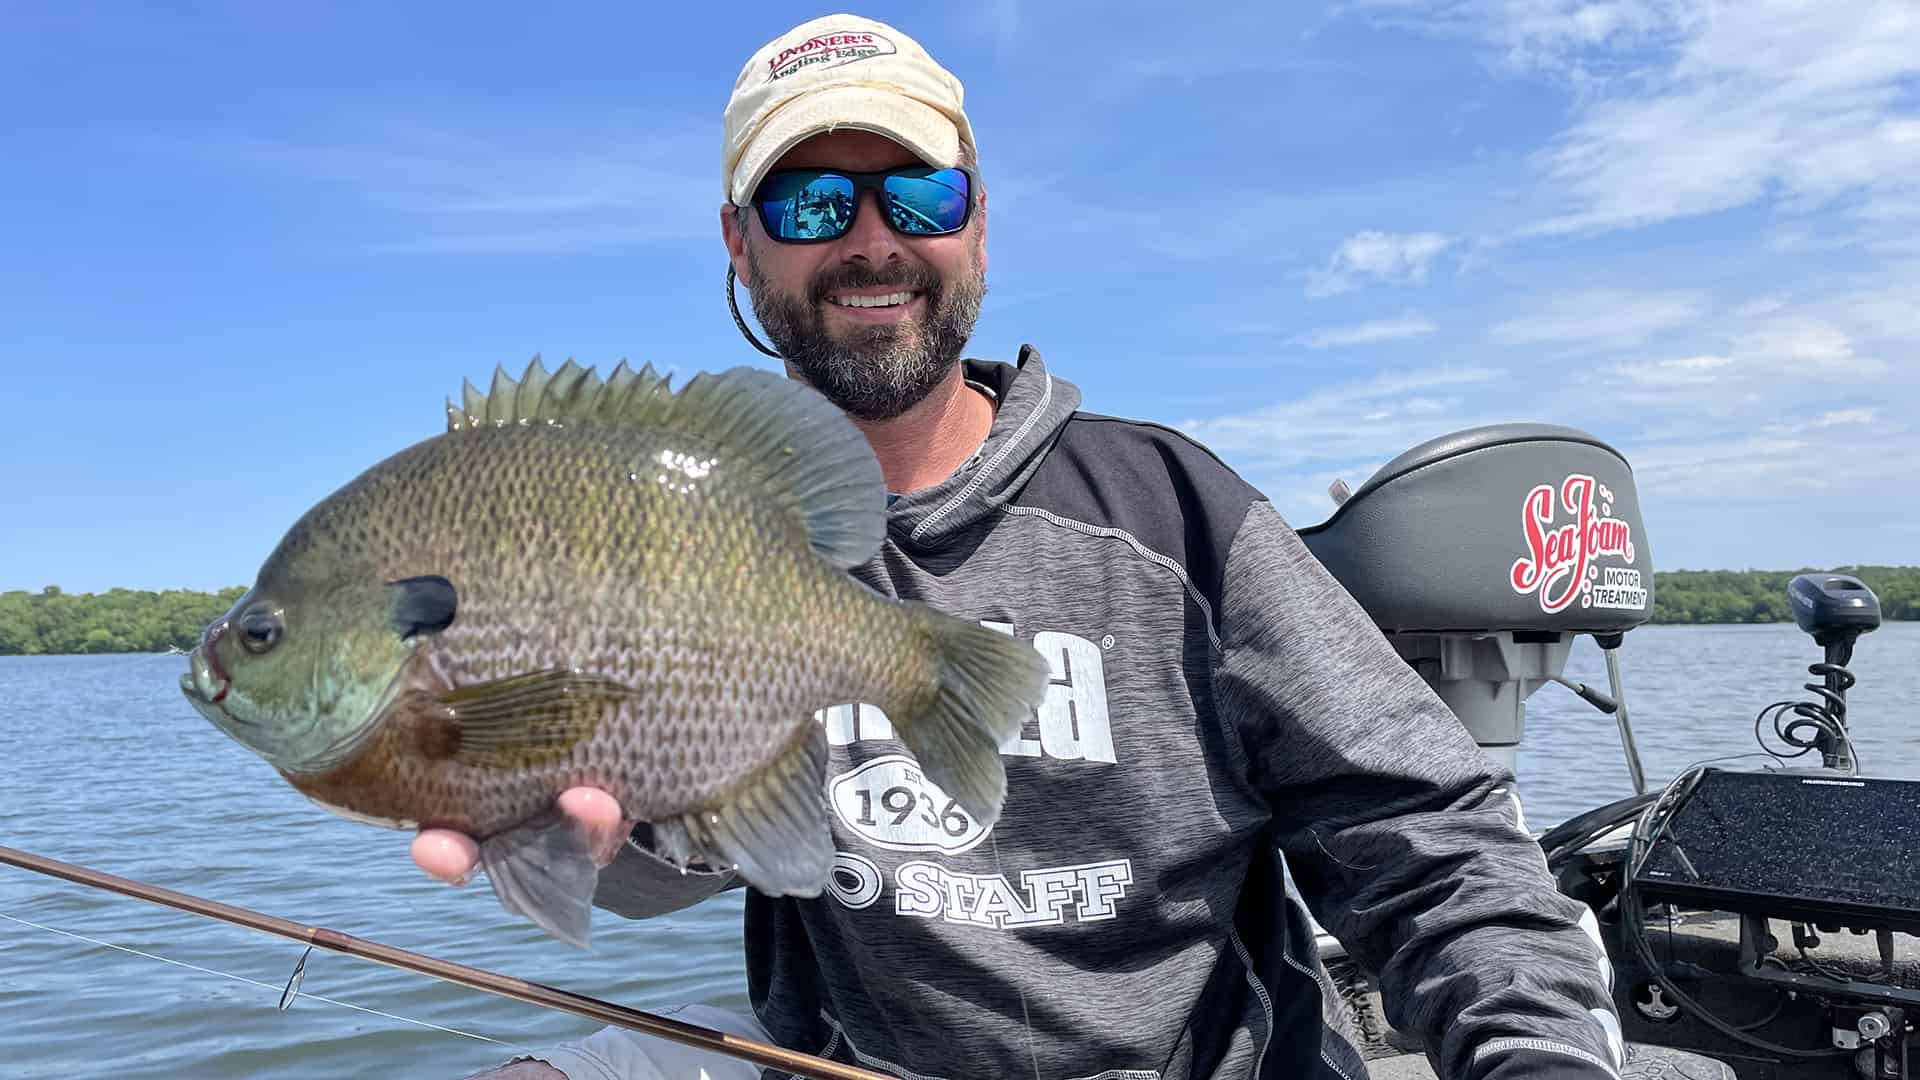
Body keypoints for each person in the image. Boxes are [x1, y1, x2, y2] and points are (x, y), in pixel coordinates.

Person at [439, 14, 1636, 1080]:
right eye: (808, 203)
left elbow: (1426, 839)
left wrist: (1533, 1051)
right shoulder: (697, 536)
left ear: (979, 223)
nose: (870, 241)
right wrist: (591, 810)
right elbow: (654, 879)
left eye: (919, 196)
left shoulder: (1171, 510)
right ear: (738, 245)